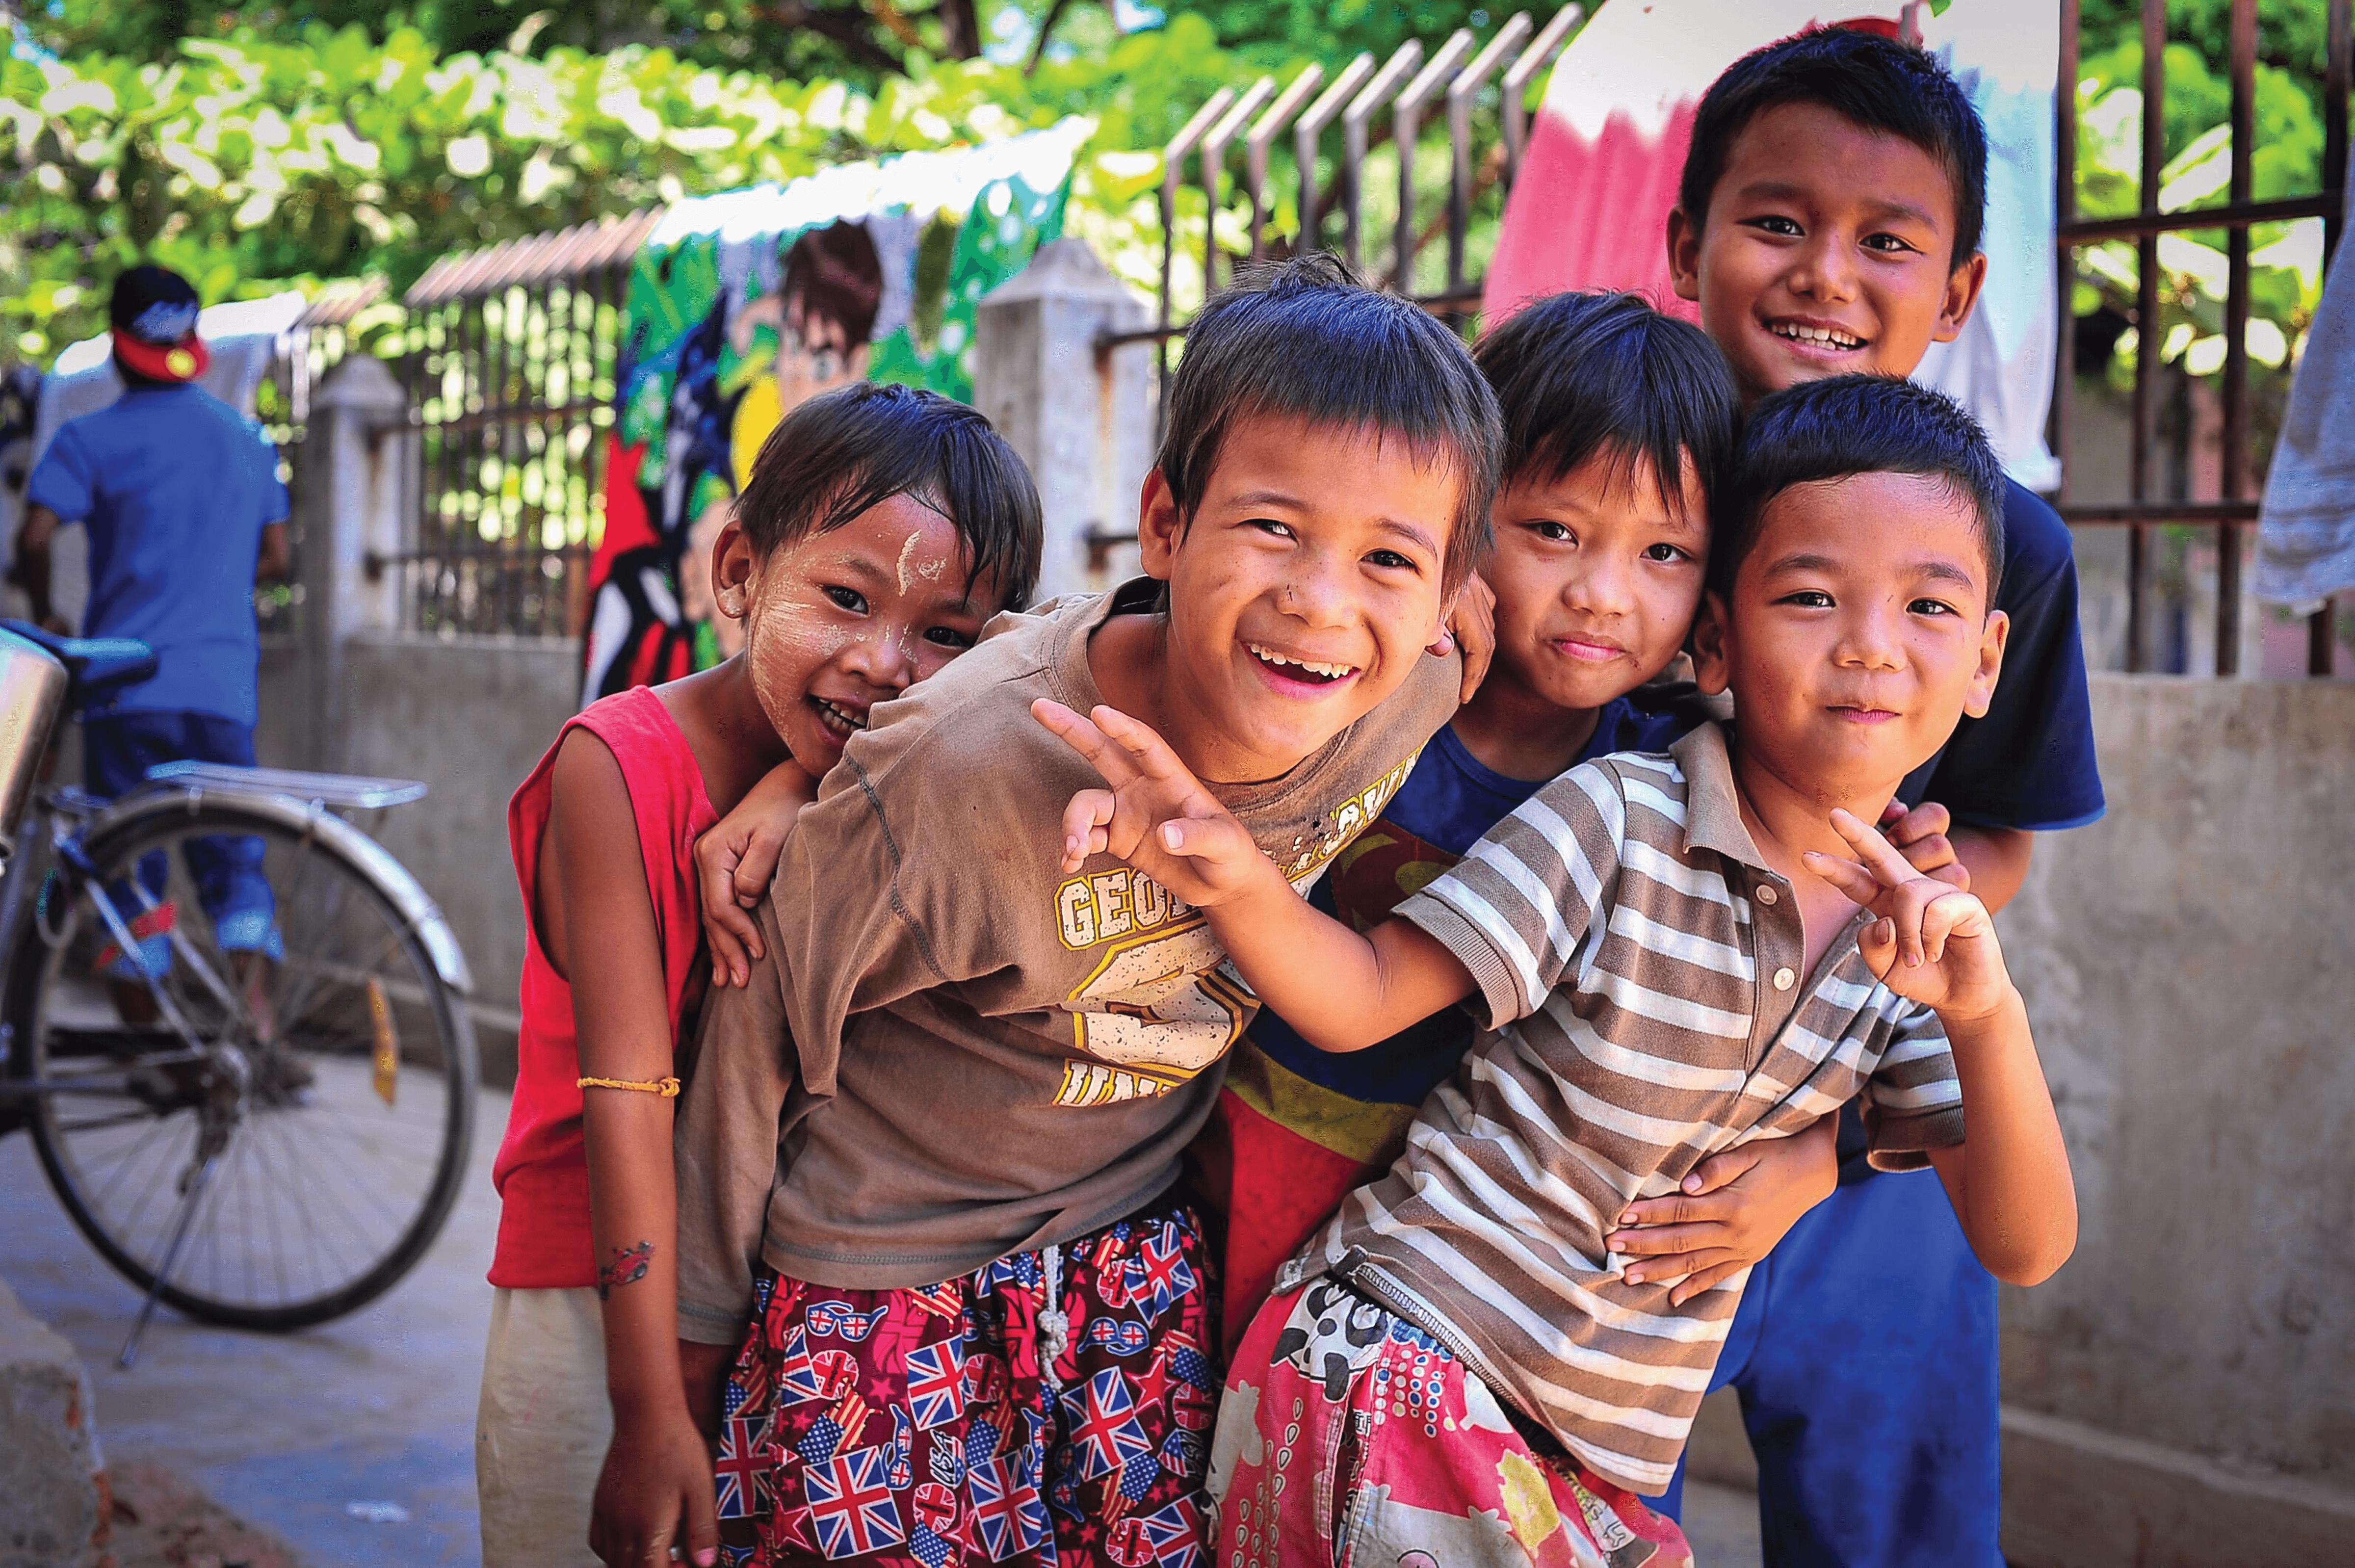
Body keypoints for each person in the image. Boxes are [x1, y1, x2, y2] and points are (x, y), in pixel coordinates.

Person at [1044, 374, 2079, 1568]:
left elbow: (2025, 1245)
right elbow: (1364, 995)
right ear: (1716, 642)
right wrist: (1232, 873)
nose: (1869, 645)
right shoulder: (1622, 815)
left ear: (1988, 660)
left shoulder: (1916, 942)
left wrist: (1986, 1013)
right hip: (1404, 1364)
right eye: (1811, 596)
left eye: (1928, 607)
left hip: (1574, 1459)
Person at [669, 253, 1499, 1567]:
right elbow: (751, 1040)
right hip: (882, 1277)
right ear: (1166, 521)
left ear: (1451, 594)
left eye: (1389, 558)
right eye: (1273, 528)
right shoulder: (959, 770)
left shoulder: (1420, 678)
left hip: (1132, 1267)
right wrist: (683, 1370)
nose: (1321, 601)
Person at [1193, 290, 1916, 1355]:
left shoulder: (1676, 782)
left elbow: (1817, 1002)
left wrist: (1814, 1158)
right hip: (1258, 1138)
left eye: (1664, 553)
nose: (1603, 594)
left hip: (1482, 1233)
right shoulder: (1357, 687)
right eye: (1553, 532)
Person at [1657, 28, 2103, 1562]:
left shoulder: (2006, 549)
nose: (1826, 276)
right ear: (1687, 244)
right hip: (1602, 1094)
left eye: (1888, 242)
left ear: (1959, 290)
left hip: (1862, 1109)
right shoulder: (1609, 492)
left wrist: (1829, 1139)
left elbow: (2004, 838)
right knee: (1559, 1508)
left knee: (1896, 1524)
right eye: (1778, 221)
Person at [476, 382, 1042, 1568]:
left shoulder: (905, 779)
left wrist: (800, 787)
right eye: (846, 598)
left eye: (944, 634)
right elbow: (629, 1094)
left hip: (788, 1297)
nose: (883, 662)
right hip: (599, 1302)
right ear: (739, 571)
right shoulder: (616, 766)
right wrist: (647, 1411)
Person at [16, 264, 291, 984]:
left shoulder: (89, 438)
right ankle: (255, 1024)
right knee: (235, 860)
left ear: (116, 343)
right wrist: (215, 580)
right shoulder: (247, 440)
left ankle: (150, 1038)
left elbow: (34, 538)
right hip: (223, 687)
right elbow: (277, 556)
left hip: (128, 687)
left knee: (128, 873)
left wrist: (48, 613)